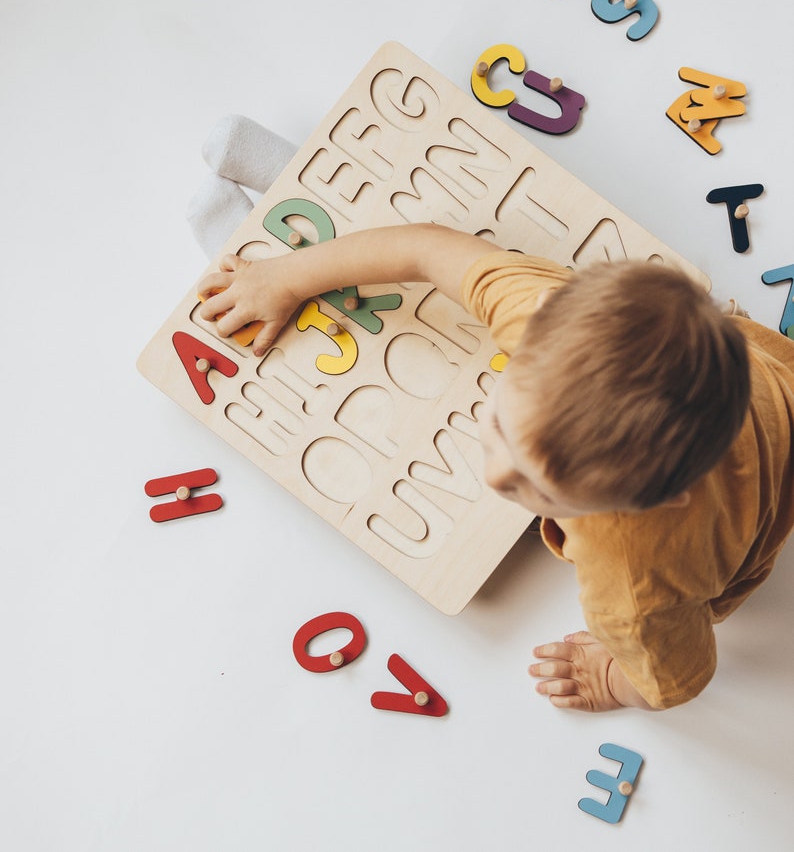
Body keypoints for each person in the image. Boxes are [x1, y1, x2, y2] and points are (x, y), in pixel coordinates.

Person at [197, 223, 794, 712]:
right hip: (772, 380)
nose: (498, 475)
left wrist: (614, 679)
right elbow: (427, 249)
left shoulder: (634, 580)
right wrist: (286, 275)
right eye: (504, 427)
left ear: (656, 499)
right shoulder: (549, 320)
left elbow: (678, 680)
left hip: (759, 512)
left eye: (546, 488)